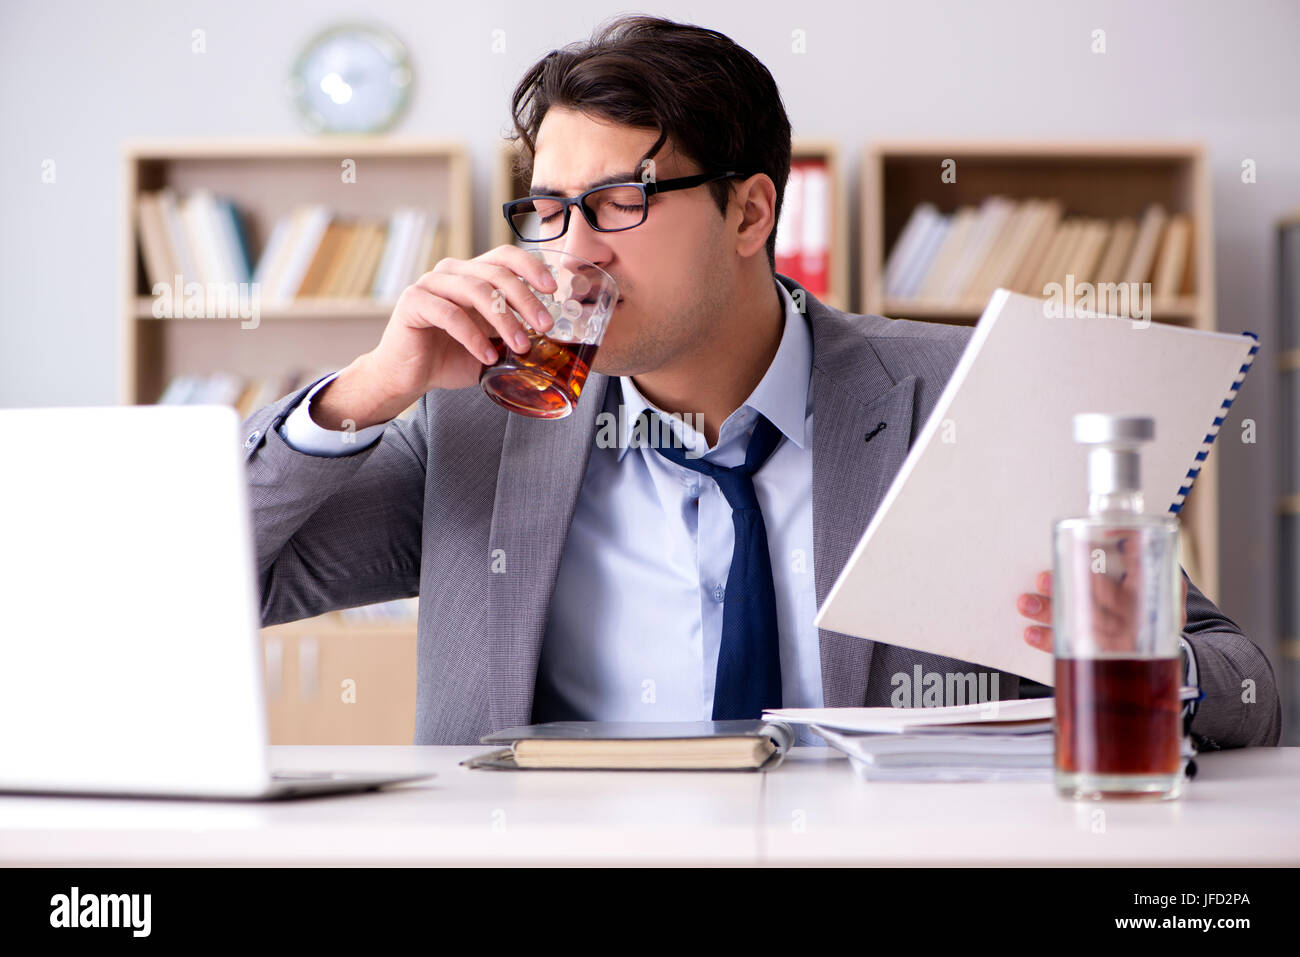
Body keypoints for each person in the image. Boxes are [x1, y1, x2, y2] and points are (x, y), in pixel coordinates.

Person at [240, 14, 1279, 749]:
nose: (573, 253)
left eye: (617, 202)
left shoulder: (960, 398)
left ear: (749, 214)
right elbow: (227, 582)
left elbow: (1246, 685)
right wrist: (366, 393)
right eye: (549, 209)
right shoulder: (477, 426)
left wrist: (1131, 668)